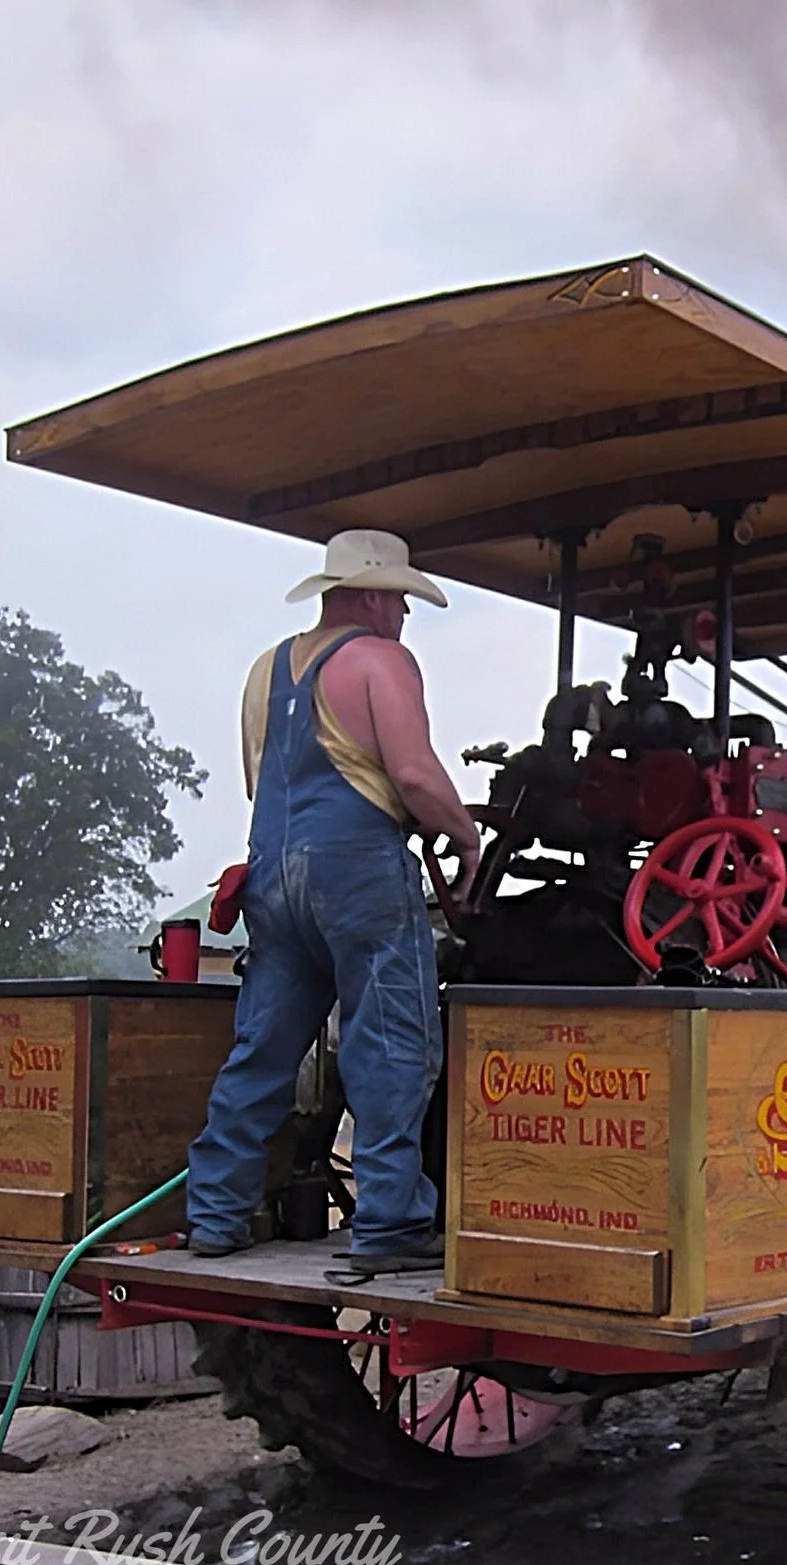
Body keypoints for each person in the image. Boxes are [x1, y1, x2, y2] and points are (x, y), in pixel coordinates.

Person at [184, 530, 482, 1276]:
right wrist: (466, 835)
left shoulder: (265, 671)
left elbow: (259, 780)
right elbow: (413, 775)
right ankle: (391, 1222)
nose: (404, 617)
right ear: (373, 597)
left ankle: (215, 1214)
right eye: (401, 602)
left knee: (262, 1050)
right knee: (390, 1045)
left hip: (271, 872)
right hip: (356, 871)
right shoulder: (381, 660)